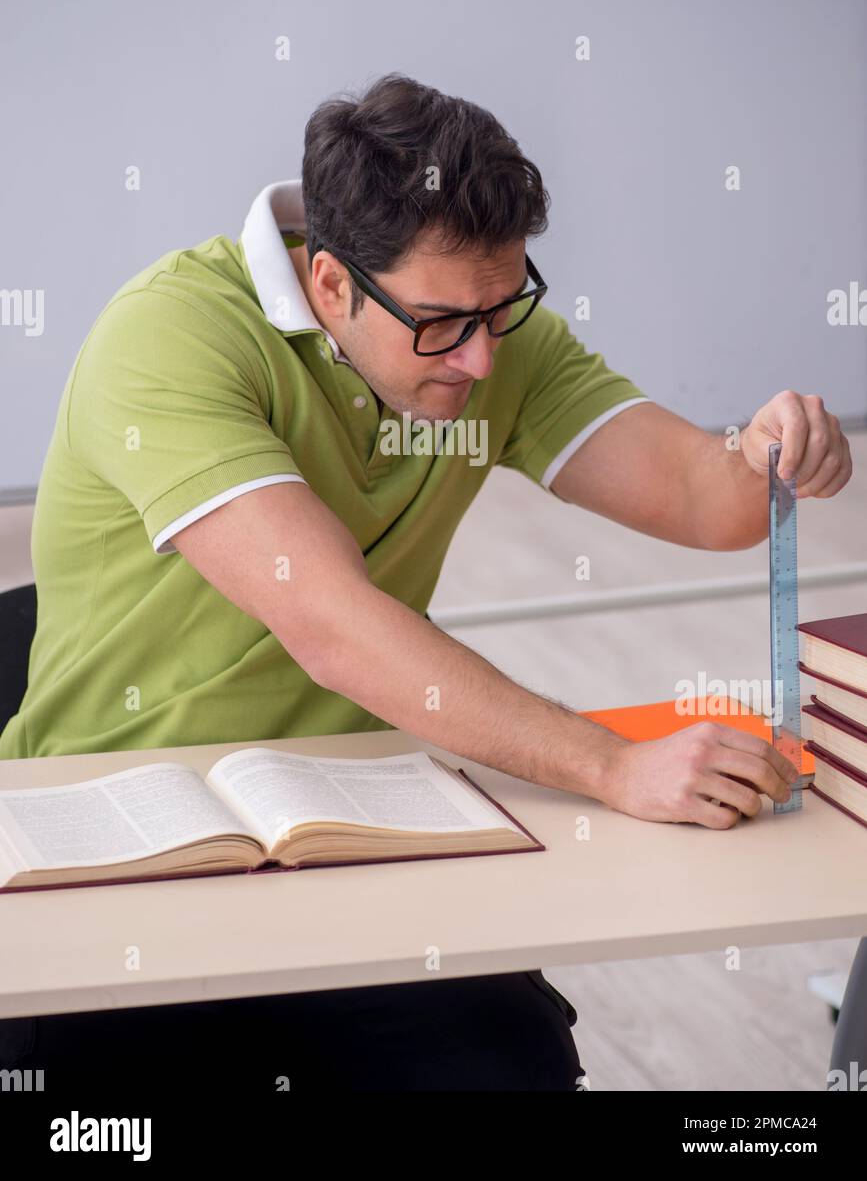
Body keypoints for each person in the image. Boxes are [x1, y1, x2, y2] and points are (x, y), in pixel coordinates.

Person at [0, 73, 848, 1091]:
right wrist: (614, 766)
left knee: (515, 1069)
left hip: (358, 828)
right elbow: (331, 623)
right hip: (118, 847)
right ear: (330, 287)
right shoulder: (172, 336)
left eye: (506, 304)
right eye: (447, 323)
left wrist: (768, 451)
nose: (486, 359)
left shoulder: (482, 331)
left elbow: (704, 497)